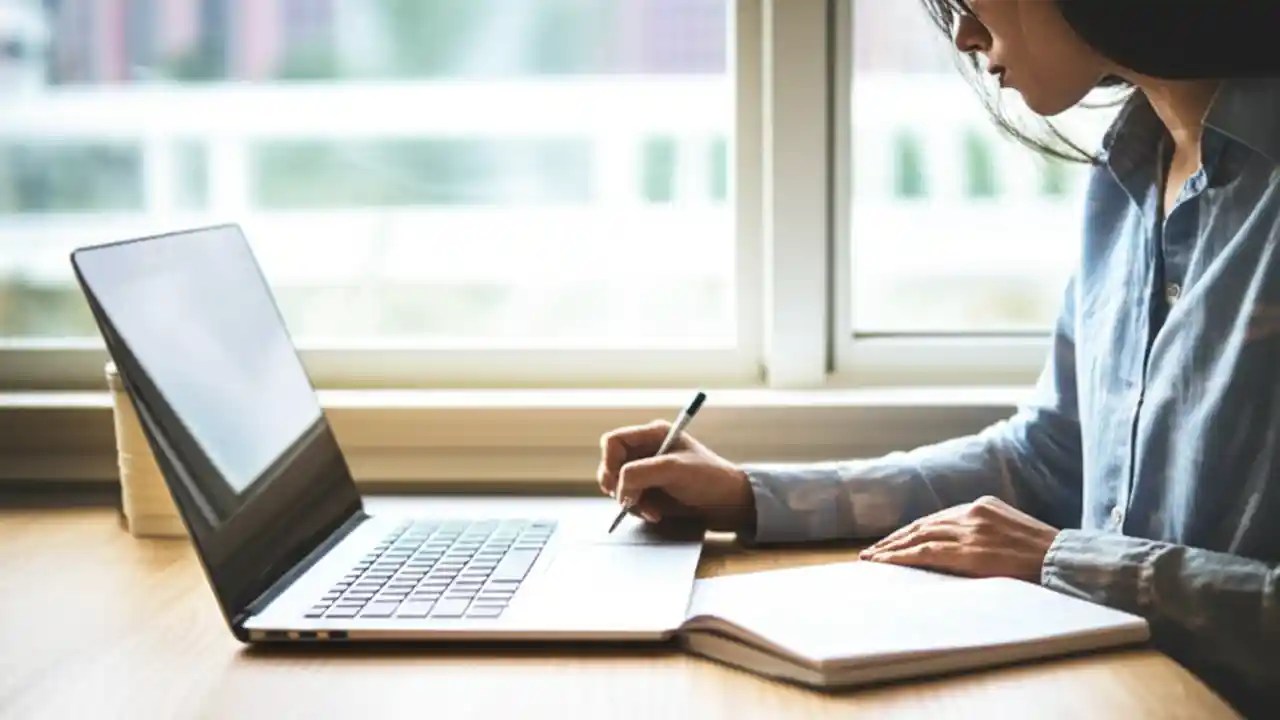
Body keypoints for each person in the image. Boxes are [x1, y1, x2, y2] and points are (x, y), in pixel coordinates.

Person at [596, 1, 1280, 715]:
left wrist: (1063, 560)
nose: (963, 33)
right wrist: (749, 494)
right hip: (1112, 690)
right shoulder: (1127, 173)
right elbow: (1048, 457)